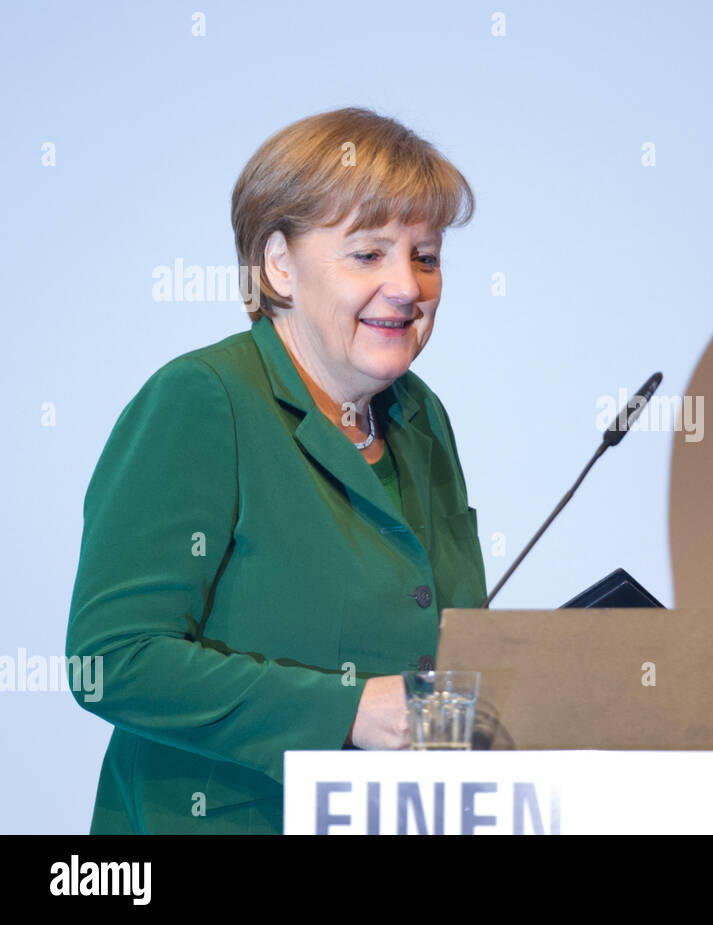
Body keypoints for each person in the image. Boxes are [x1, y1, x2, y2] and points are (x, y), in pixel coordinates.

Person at [66, 107, 487, 834]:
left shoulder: (422, 418)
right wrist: (347, 709)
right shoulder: (205, 400)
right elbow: (111, 658)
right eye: (368, 253)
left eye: (425, 255)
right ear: (280, 265)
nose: (407, 285)